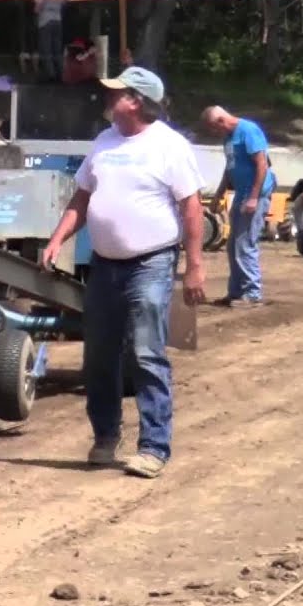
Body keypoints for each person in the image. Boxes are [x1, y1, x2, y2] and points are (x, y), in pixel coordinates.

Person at [40, 66, 207, 480]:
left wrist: (194, 266)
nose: (107, 96)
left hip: (151, 262)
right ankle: (105, 436)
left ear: (137, 101)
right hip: (104, 265)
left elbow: (191, 208)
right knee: (99, 355)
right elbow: (82, 198)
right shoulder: (104, 141)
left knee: (146, 353)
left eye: (117, 92)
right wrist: (57, 239)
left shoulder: (169, 146)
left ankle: (153, 447)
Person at [201, 105, 277, 308]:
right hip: (241, 194)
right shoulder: (228, 138)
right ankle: (236, 292)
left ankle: (252, 293)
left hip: (254, 195)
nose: (213, 133)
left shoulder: (248, 131)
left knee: (245, 244)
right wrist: (219, 194)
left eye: (213, 128)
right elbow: (230, 168)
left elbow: (262, 164)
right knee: (233, 245)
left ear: (221, 121)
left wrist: (253, 198)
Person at [35, 0, 63, 81]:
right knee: (57, 49)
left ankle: (51, 75)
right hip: (58, 20)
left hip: (45, 21)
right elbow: (64, 1)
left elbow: (37, 9)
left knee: (46, 49)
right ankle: (60, 73)